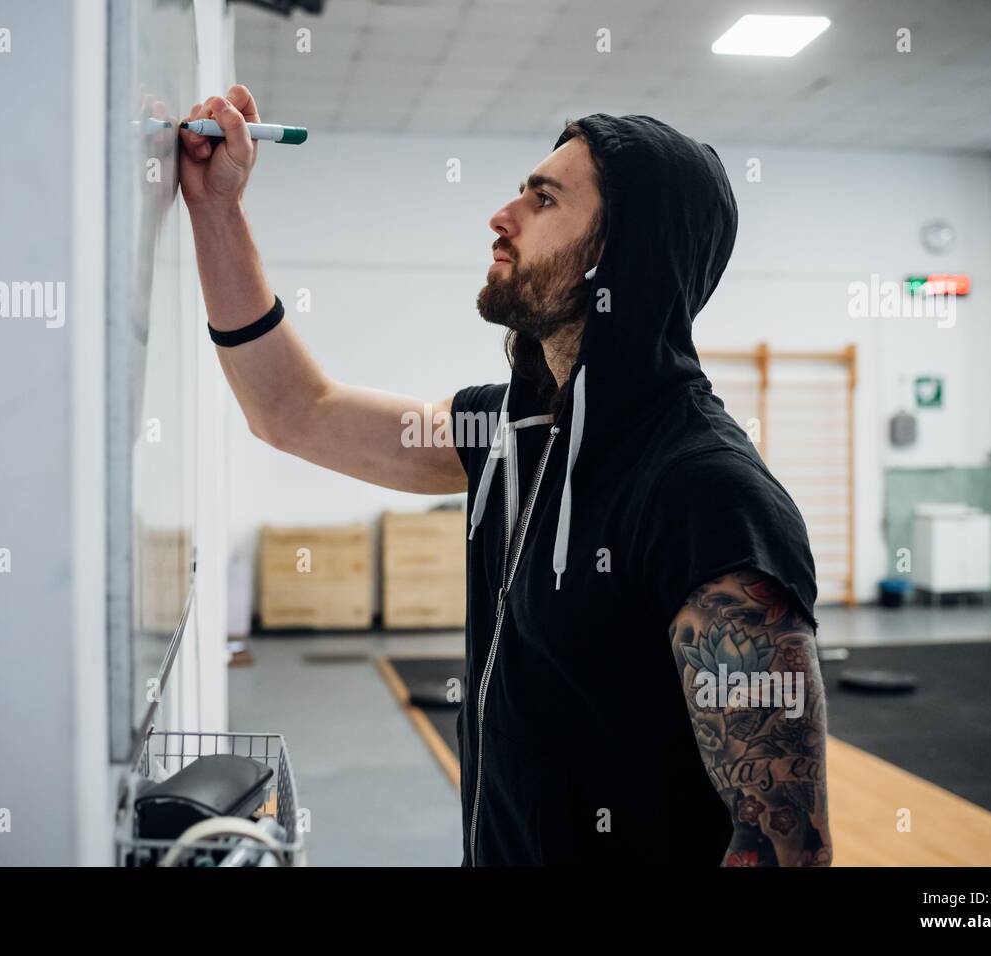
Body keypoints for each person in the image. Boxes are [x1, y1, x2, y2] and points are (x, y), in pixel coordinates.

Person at [179, 86, 832, 867]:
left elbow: (784, 845)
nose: (502, 215)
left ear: (615, 256)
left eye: (543, 199)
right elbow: (294, 409)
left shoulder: (709, 495)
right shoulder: (506, 434)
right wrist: (217, 211)